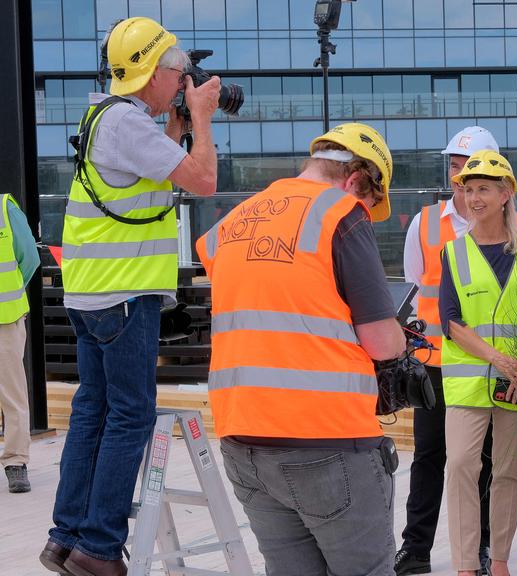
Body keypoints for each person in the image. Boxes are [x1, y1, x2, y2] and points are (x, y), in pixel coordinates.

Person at [42, 16, 221, 576]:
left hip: (93, 296)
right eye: (179, 71)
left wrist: (176, 121)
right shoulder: (128, 123)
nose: (184, 79)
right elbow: (203, 180)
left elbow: (155, 178)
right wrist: (202, 119)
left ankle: (65, 537)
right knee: (130, 416)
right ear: (154, 71)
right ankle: (97, 548)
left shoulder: (108, 117)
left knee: (93, 412)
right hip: (123, 299)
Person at [195, 123, 405, 576]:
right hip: (326, 437)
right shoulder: (340, 212)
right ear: (354, 181)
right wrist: (403, 337)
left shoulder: (235, 220)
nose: (364, 212)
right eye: (369, 202)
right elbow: (382, 342)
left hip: (242, 435)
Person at [398, 127, 516, 575]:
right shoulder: (426, 223)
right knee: (429, 456)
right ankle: (416, 549)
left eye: (469, 165)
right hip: (436, 364)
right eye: (454, 164)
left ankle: (481, 548)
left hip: (489, 364)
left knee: (484, 462)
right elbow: (415, 288)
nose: (460, 173)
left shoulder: (516, 230)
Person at [439, 149, 517, 576]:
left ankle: (499, 560)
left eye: (484, 188)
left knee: (507, 472)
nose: (474, 198)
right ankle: (467, 565)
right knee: (462, 466)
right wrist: (499, 359)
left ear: (506, 193)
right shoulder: (454, 252)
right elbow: (451, 322)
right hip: (471, 382)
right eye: (468, 190)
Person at [0, 193, 40, 494]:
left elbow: (28, 257)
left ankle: (15, 462)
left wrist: (11, 290)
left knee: (12, 396)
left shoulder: (5, 208)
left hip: (5, 318)